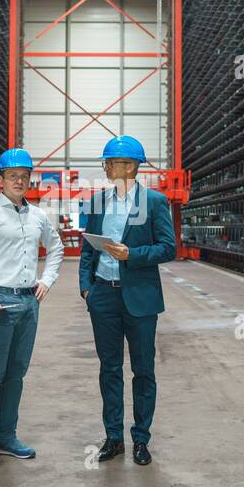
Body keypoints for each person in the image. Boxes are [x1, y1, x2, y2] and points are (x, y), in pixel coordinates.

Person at [78, 136, 176, 466]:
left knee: (143, 370)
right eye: (106, 163)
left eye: (112, 163)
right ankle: (114, 437)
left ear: (131, 166)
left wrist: (132, 254)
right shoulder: (96, 202)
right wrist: (87, 288)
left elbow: (168, 248)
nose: (106, 167)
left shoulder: (155, 202)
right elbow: (87, 249)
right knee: (109, 369)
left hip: (140, 298)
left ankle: (141, 439)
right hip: (103, 295)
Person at [0, 148, 63, 472]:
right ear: (1, 179)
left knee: (16, 375)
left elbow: (57, 247)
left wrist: (46, 280)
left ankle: (6, 437)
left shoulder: (38, 217)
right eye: (12, 176)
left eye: (24, 176)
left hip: (28, 303)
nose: (19, 180)